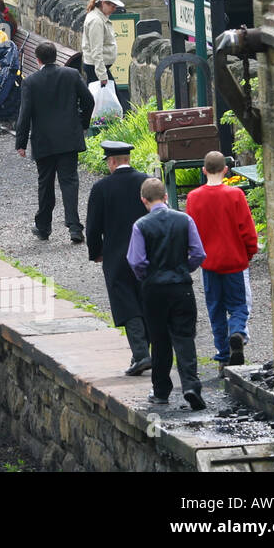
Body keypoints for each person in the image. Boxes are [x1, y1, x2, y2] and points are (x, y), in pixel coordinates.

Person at [128, 177, 206, 410]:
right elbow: (198, 253)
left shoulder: (140, 225)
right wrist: (185, 268)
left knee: (159, 340)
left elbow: (136, 261)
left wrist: (148, 277)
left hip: (154, 290)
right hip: (181, 287)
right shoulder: (184, 220)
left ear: (144, 200)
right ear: (165, 197)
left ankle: (161, 391)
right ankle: (191, 385)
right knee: (184, 337)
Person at [184, 151, 258, 372]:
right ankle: (237, 332)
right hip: (234, 261)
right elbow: (248, 231)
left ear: (204, 170)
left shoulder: (194, 197)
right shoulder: (235, 196)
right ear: (225, 169)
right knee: (239, 306)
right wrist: (249, 253)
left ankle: (224, 355)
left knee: (215, 308)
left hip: (209, 263)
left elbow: (191, 234)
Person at [15, 40, 93, 243]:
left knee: (45, 183)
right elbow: (89, 101)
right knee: (69, 182)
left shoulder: (30, 82)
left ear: (38, 59)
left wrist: (21, 142)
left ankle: (43, 227)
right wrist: (82, 123)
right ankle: (74, 227)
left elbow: (25, 114)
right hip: (68, 137)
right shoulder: (71, 75)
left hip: (44, 140)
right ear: (55, 56)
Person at [85, 141, 152, 376]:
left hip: (117, 254)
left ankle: (141, 353)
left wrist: (96, 252)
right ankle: (141, 353)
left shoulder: (101, 188)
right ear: (128, 159)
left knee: (126, 302)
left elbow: (93, 227)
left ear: (112, 161)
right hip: (146, 252)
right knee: (145, 299)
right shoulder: (145, 182)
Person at [81, 0, 123, 85]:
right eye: (113, 6)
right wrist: (102, 76)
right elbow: (96, 50)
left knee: (99, 98)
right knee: (109, 98)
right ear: (104, 3)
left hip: (97, 67)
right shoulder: (96, 21)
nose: (115, 9)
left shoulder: (98, 17)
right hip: (96, 68)